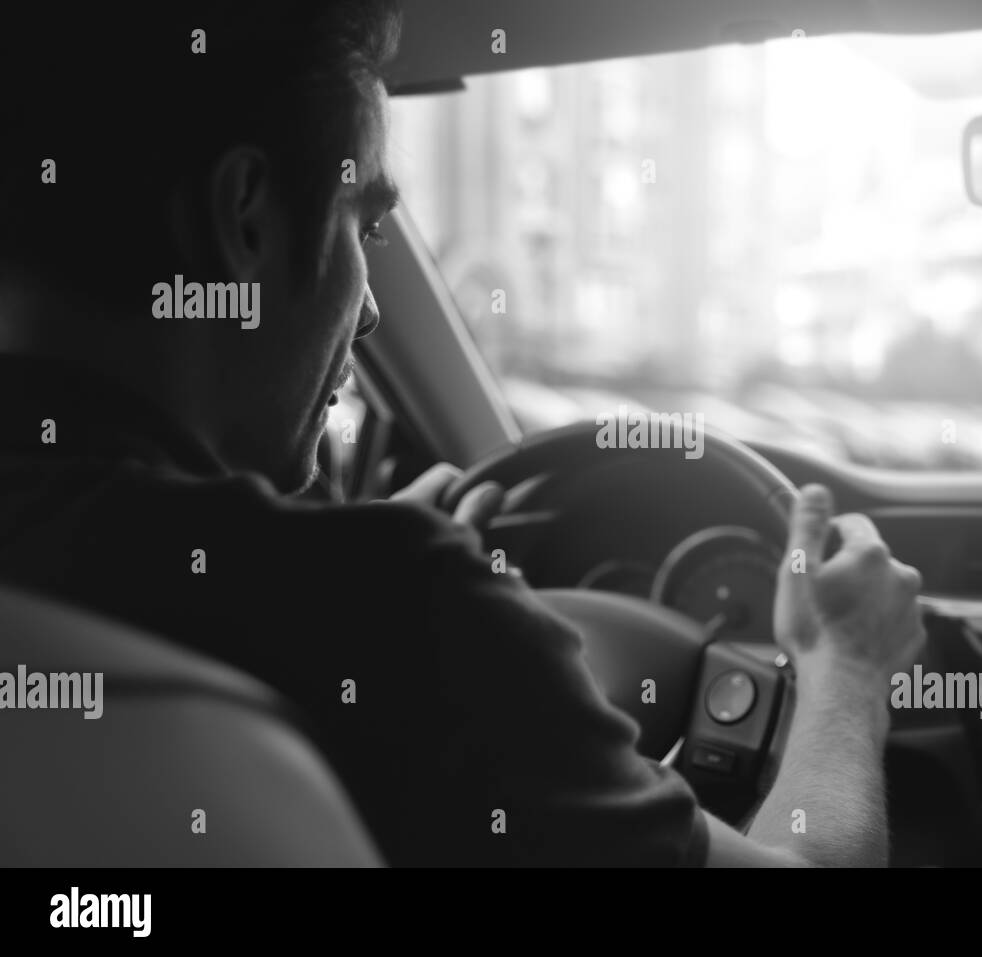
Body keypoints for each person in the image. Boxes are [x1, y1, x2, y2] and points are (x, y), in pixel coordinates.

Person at [0, 2, 925, 866]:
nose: (367, 313)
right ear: (243, 216)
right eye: (363, 218)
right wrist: (847, 661)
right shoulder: (398, 615)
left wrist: (362, 564)